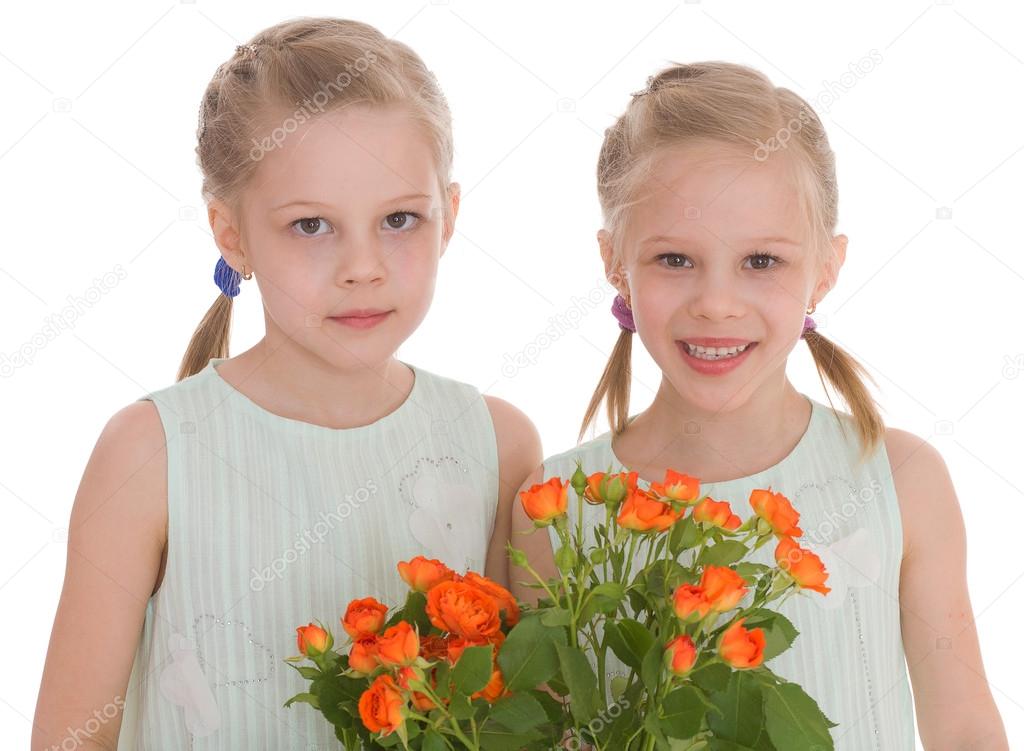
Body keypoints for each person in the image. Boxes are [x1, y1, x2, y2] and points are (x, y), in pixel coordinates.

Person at [32, 18, 540, 749]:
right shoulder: (150, 454)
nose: (361, 267)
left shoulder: (498, 442)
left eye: (399, 218)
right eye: (311, 226)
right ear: (231, 234)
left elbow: (517, 717)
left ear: (449, 217)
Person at [504, 61, 1007, 749]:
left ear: (825, 269)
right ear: (615, 262)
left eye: (761, 261)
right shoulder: (556, 507)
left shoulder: (901, 478)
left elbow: (966, 728)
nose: (716, 303)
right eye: (674, 259)